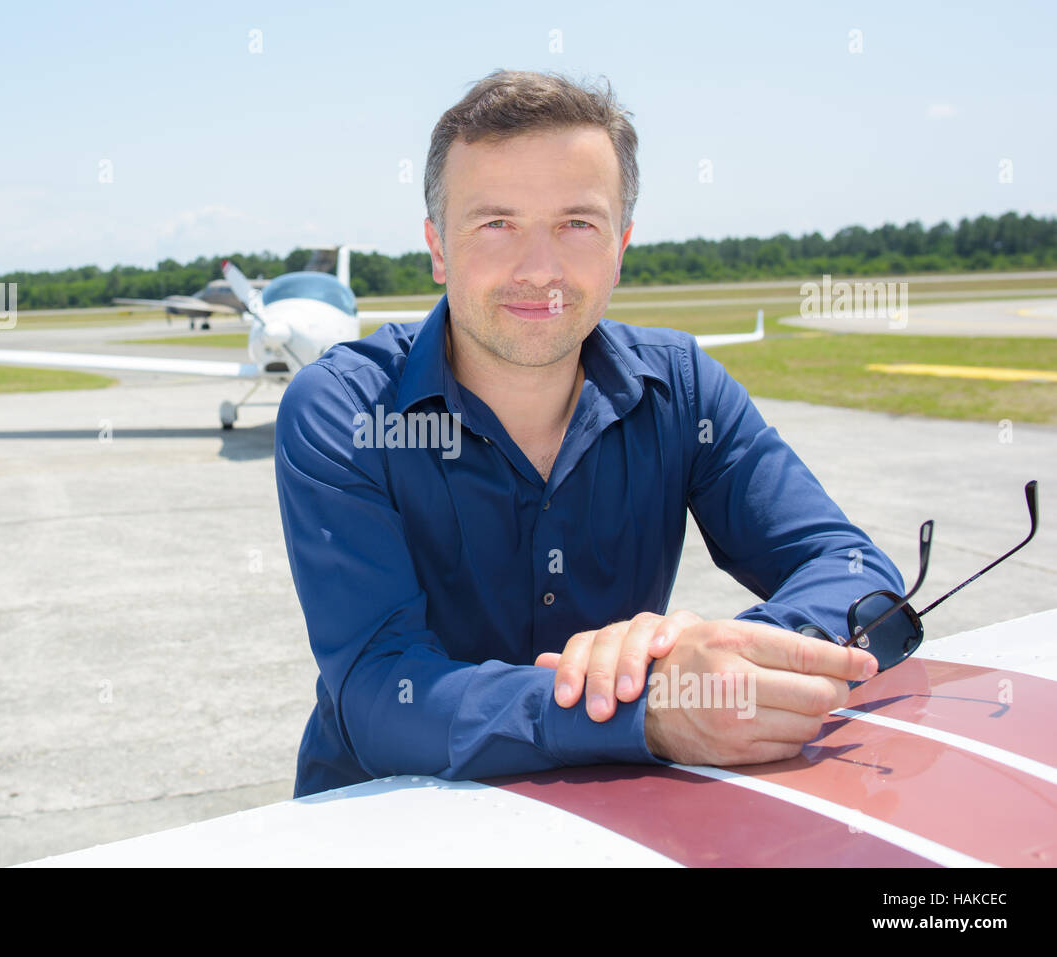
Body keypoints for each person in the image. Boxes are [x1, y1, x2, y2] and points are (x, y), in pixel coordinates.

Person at [274, 69, 898, 799]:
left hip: (619, 810)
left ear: (620, 245)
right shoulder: (342, 409)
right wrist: (646, 704)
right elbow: (383, 694)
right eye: (496, 223)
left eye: (577, 223)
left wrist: (718, 662)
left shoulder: (683, 387)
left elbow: (856, 572)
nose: (540, 269)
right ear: (438, 247)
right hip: (389, 813)